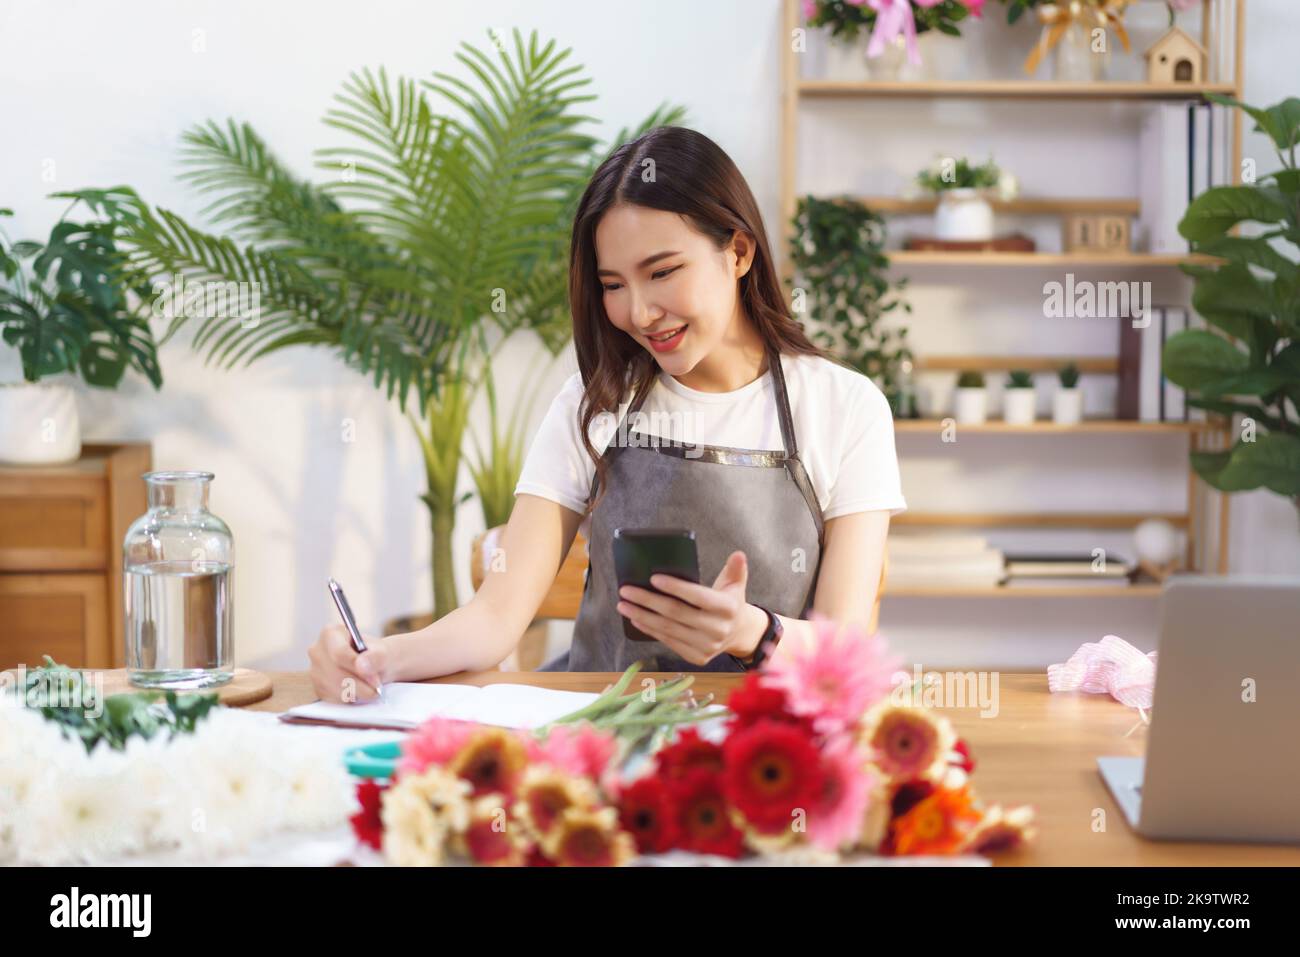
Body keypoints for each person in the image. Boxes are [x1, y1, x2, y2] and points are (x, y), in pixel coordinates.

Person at [308, 126, 906, 702]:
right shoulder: (591, 405)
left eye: (662, 272)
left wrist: (750, 632)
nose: (640, 313)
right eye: (613, 285)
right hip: (601, 733)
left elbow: (843, 654)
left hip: (761, 755)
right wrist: (377, 659)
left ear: (739, 251)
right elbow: (495, 618)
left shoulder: (845, 408)